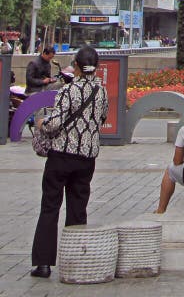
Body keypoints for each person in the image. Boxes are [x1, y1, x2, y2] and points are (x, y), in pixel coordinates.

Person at [30, 45, 109, 279]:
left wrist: (41, 123)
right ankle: (76, 260)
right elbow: (102, 118)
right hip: (86, 159)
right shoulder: (101, 92)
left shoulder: (68, 91)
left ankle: (43, 264)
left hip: (61, 157)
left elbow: (55, 123)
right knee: (78, 208)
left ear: (76, 66)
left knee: (50, 207)